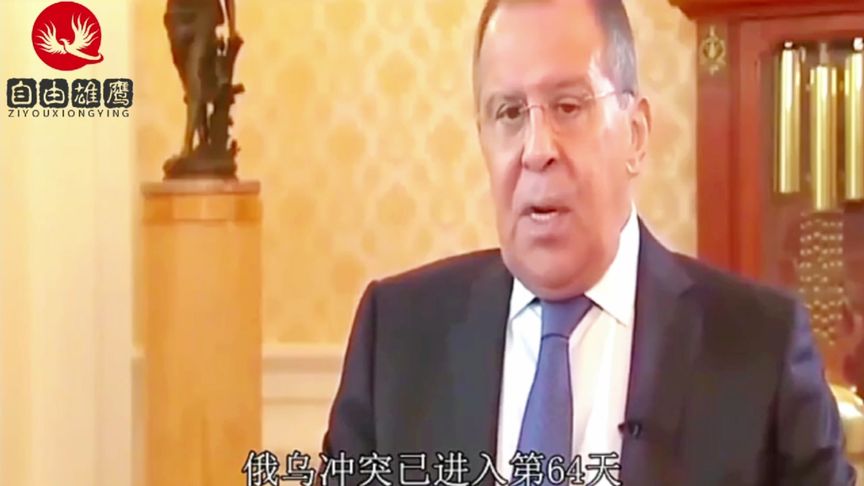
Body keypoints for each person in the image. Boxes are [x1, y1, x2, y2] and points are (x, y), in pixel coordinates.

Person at [321, 0, 856, 484]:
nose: (537, 150)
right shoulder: (397, 335)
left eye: (568, 106)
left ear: (636, 134)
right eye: (509, 113)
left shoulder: (762, 348)